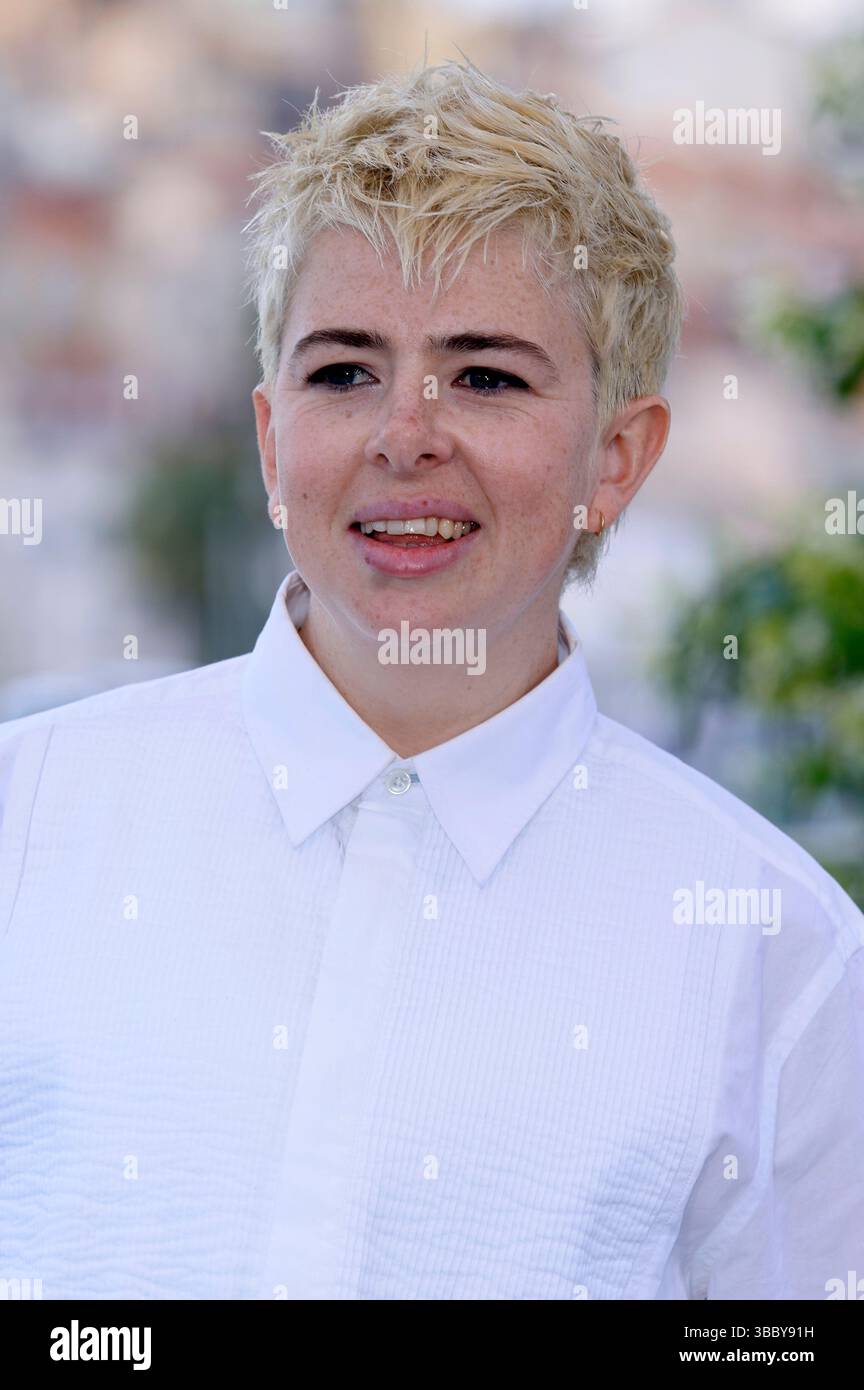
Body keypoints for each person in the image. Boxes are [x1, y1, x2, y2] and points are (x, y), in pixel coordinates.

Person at [1, 60, 861, 1302]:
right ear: (269, 437)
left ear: (615, 461)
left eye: (487, 376)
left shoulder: (775, 959)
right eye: (345, 371)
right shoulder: (29, 822)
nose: (407, 432)